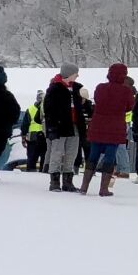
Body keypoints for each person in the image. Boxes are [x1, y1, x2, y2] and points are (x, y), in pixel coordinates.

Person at [78, 63, 136, 197]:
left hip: (98, 126)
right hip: (115, 128)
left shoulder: (100, 87)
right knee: (110, 157)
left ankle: (84, 187)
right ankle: (103, 189)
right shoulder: (126, 91)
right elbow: (129, 106)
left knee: (93, 156)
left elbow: (97, 100)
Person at [42, 64, 83, 193]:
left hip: (75, 125)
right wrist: (52, 126)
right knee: (57, 151)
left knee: (72, 152)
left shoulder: (78, 88)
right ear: (69, 73)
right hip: (59, 125)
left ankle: (68, 181)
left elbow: (82, 107)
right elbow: (48, 109)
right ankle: (54, 181)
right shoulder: (55, 88)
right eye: (75, 73)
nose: (77, 76)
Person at [20, 91, 47, 173]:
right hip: (45, 137)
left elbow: (25, 125)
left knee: (31, 158)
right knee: (45, 158)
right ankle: (43, 174)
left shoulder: (30, 109)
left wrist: (23, 137)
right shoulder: (48, 108)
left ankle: (31, 174)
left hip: (33, 137)